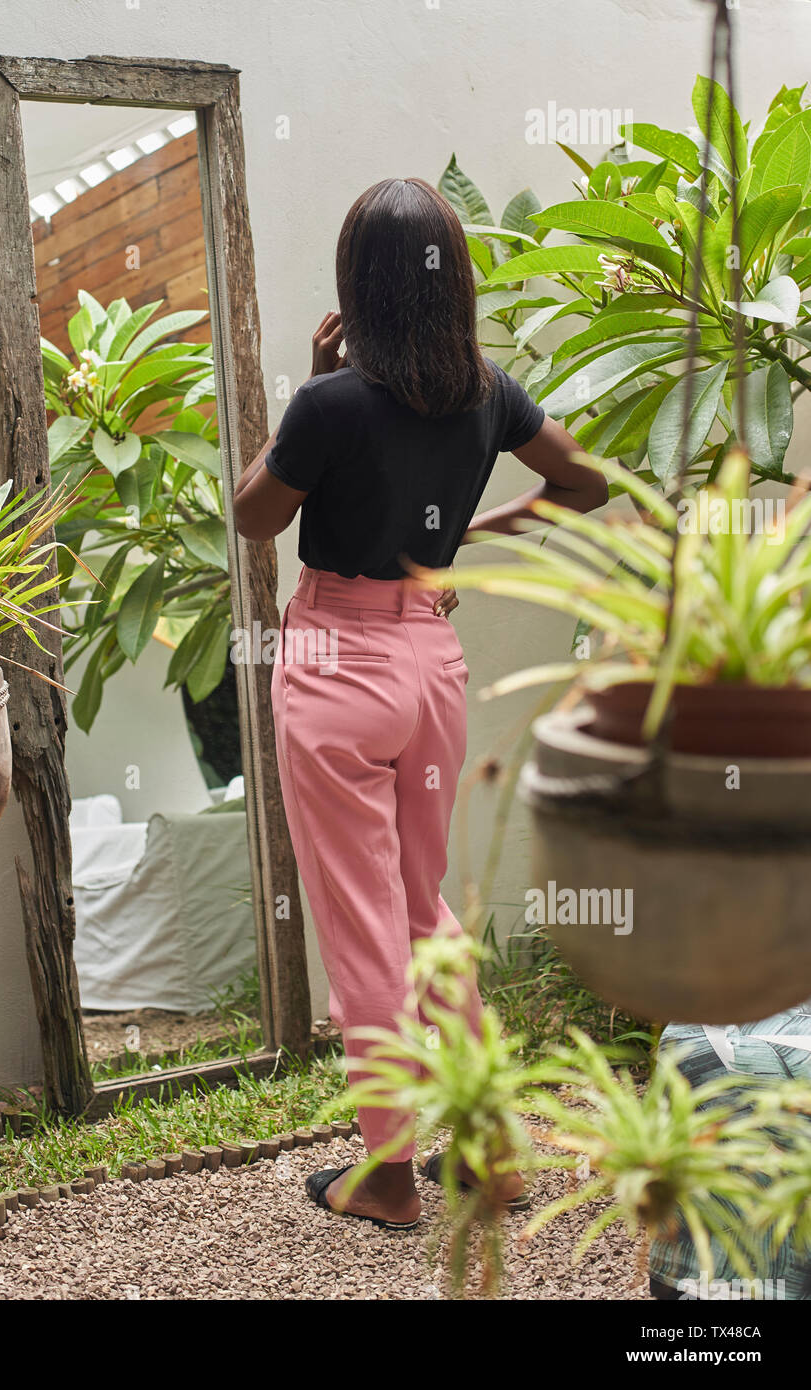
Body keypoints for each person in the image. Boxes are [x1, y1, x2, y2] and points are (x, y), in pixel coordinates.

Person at [233, 176, 607, 1230]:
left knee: (361, 924)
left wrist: (305, 390)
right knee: (421, 908)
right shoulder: (487, 390)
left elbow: (255, 516)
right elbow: (587, 484)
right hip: (428, 664)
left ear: (359, 286)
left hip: (339, 668)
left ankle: (388, 1176)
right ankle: (491, 1148)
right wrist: (473, 542)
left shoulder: (329, 403)